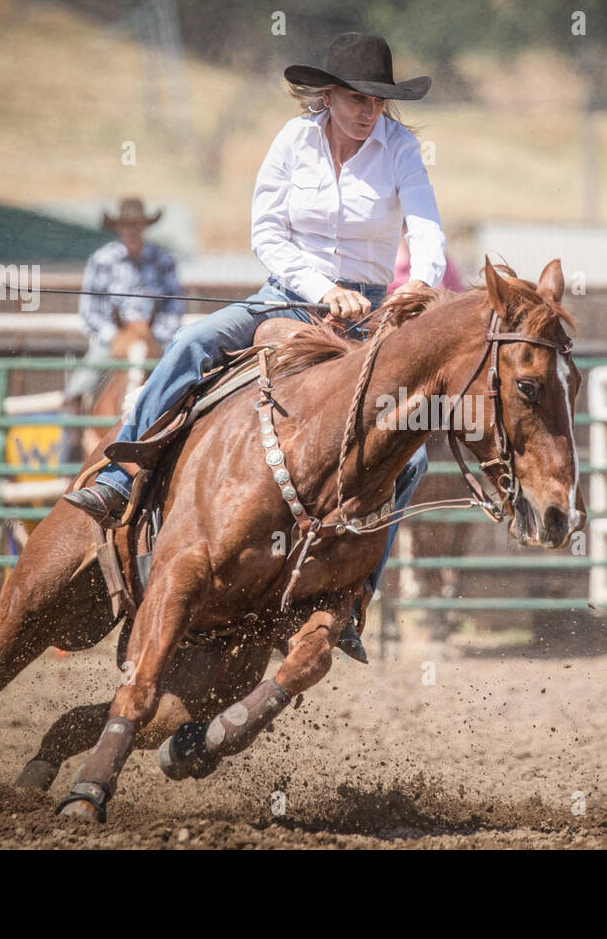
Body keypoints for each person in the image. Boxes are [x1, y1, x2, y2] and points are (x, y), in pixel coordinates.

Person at [63, 32, 447, 661]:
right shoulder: (293, 142)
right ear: (328, 95)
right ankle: (116, 475)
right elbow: (267, 233)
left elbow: (426, 225)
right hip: (289, 293)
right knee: (191, 341)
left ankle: (353, 596)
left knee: (412, 458)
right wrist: (323, 287)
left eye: (377, 100)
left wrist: (424, 284)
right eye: (355, 97)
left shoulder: (401, 148)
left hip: (373, 310)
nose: (367, 111)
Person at [64, 196, 184, 411]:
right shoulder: (102, 260)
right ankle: (72, 440)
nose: (131, 230)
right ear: (118, 227)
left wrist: (153, 335)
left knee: (183, 381)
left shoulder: (163, 261)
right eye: (126, 225)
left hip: (154, 339)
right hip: (113, 340)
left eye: (136, 224)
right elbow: (89, 310)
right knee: (77, 391)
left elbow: (174, 307)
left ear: (145, 226)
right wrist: (115, 336)